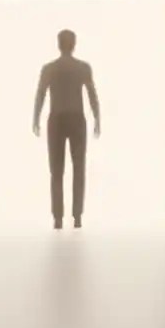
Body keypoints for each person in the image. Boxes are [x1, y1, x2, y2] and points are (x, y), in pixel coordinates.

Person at [32, 29, 101, 229]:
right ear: (74, 44)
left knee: (56, 170)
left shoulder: (49, 69)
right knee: (79, 168)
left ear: (58, 44)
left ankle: (57, 218)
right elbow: (92, 94)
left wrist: (36, 117)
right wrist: (97, 117)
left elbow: (40, 95)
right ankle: (77, 216)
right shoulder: (82, 68)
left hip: (57, 118)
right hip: (76, 118)